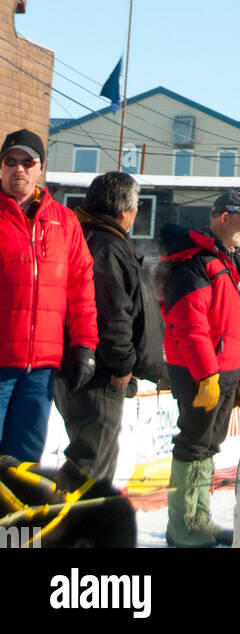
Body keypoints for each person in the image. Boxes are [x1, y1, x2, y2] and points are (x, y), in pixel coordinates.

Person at [158, 189, 240, 547]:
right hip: (200, 373)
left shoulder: (226, 261)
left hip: (226, 371)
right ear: (223, 218)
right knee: (192, 444)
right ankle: (182, 525)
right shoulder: (195, 264)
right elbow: (191, 326)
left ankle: (199, 519)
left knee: (209, 446)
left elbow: (235, 327)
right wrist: (206, 376)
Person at [53, 171, 164, 485]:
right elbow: (111, 312)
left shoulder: (93, 239)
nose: (137, 213)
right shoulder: (105, 246)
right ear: (122, 211)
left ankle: (77, 527)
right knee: (90, 464)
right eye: (137, 206)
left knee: (94, 459)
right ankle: (66, 529)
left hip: (90, 367)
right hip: (99, 373)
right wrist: (122, 362)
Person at [0, 128, 97, 463]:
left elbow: (82, 288)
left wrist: (84, 345)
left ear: (40, 167)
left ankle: (15, 518)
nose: (19, 169)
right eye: (11, 161)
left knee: (24, 462)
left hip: (41, 369)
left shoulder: (65, 222)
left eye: (27, 162)